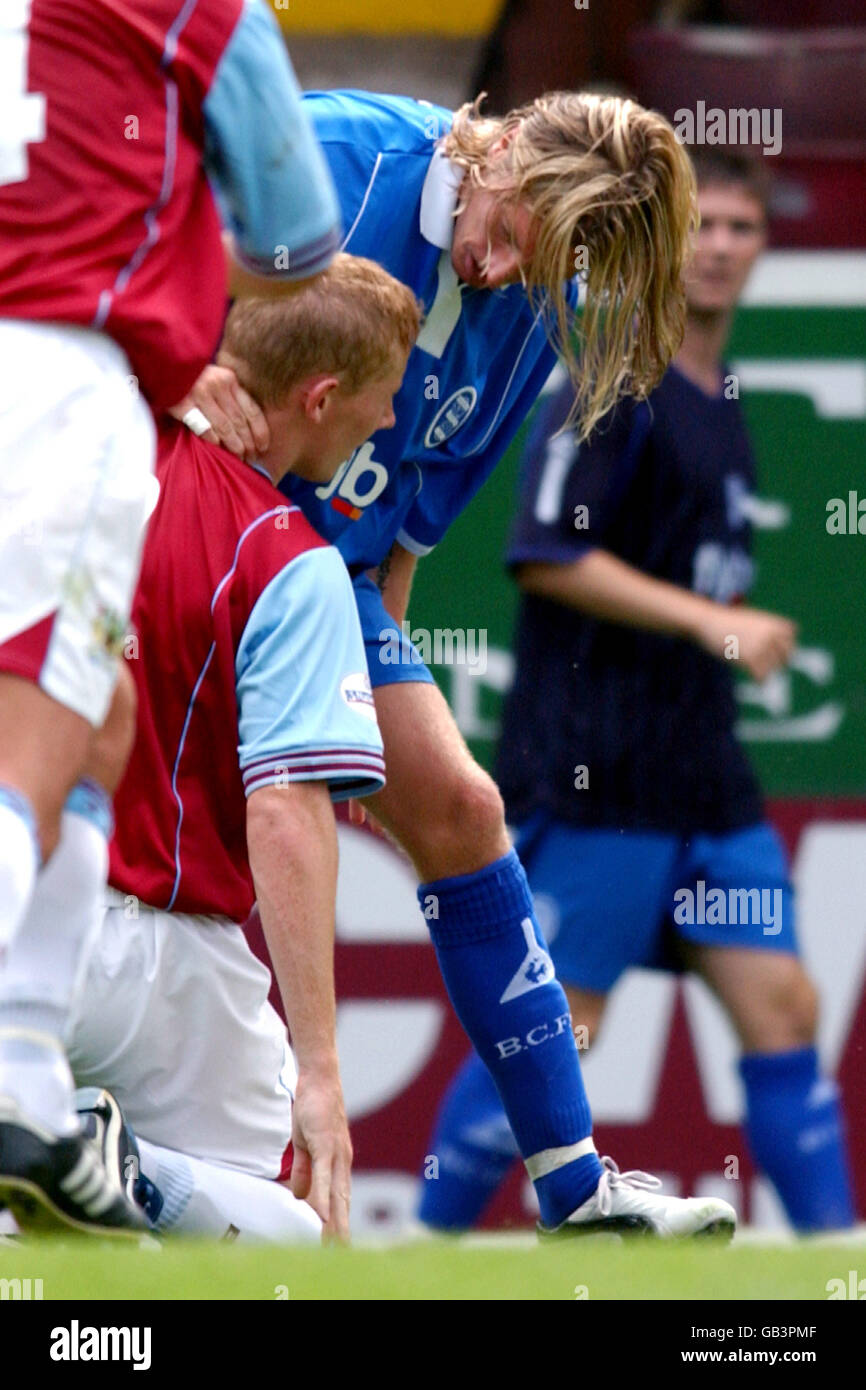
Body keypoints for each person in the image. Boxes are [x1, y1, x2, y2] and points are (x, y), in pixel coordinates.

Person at [180, 91, 736, 1237]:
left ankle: (574, 1185)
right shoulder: (336, 158)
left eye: (548, 267)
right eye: (519, 232)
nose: (508, 271)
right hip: (179, 519)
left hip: (317, 575)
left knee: (461, 805)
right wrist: (180, 367)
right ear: (501, 150)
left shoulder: (534, 302)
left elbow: (400, 541)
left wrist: (360, 720)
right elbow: (125, 236)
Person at [417, 152, 856, 1234]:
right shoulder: (608, 372)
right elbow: (544, 552)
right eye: (700, 223)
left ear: (759, 248)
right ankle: (419, 1247)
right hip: (599, 772)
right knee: (559, 1027)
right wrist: (715, 623)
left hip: (704, 780)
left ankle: (835, 1261)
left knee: (784, 1005)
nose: (716, 246)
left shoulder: (721, 399)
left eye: (741, 228)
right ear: (667, 239)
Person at [0, 0, 341, 1234]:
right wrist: (182, 269)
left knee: (100, 726)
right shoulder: (193, 12)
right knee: (42, 740)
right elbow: (300, 236)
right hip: (55, 374)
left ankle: (35, 1081)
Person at [58, 257, 420, 1244]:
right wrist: (322, 1068)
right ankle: (129, 1178)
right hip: (176, 973)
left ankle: (76, 1160)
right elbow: (286, 811)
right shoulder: (285, 558)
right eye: (384, 400)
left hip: (27, 911)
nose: (386, 425)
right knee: (302, 1243)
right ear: (319, 397)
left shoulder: (53, 454)